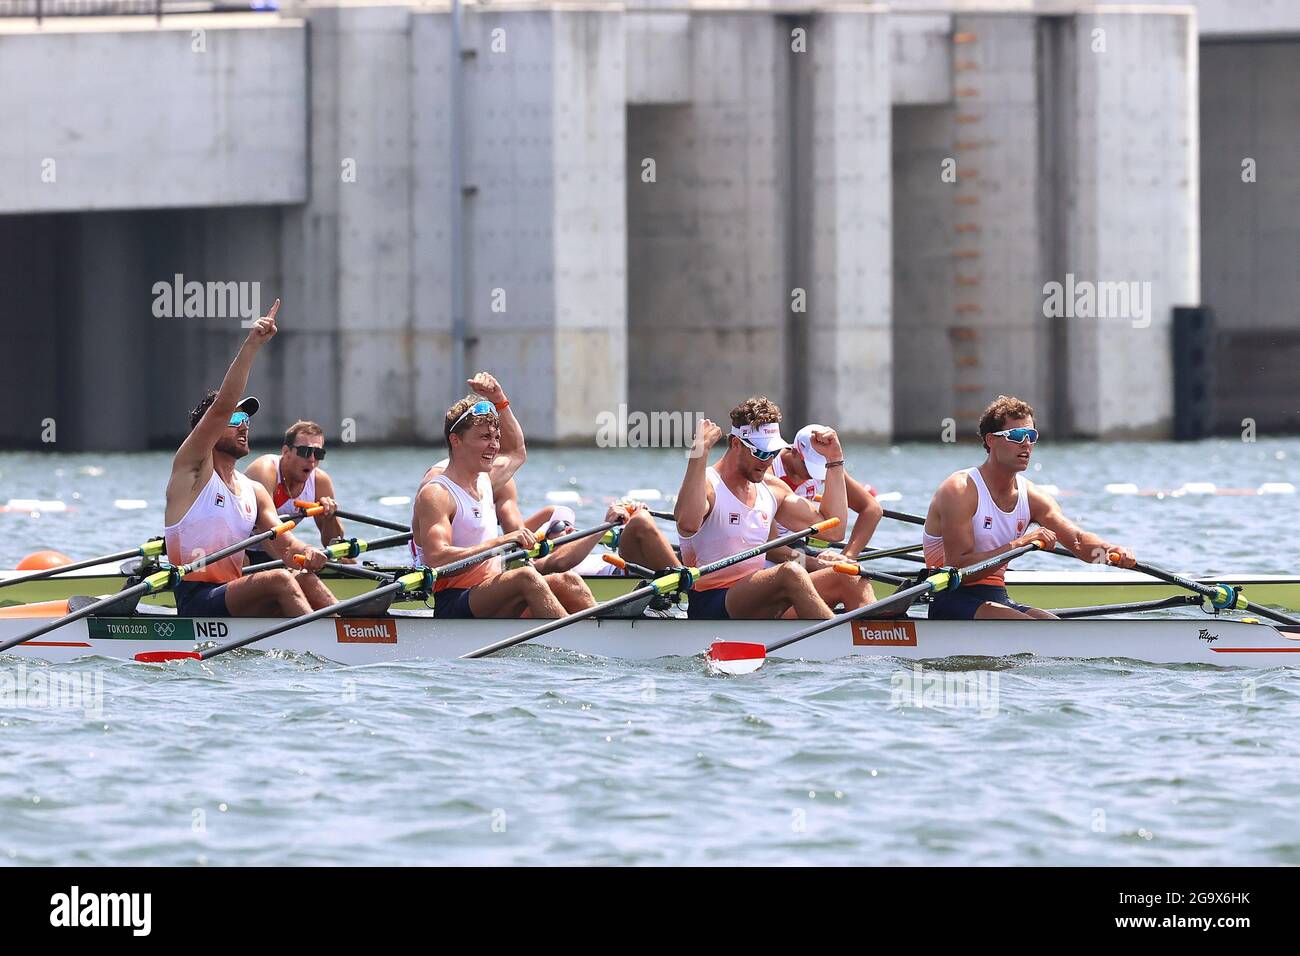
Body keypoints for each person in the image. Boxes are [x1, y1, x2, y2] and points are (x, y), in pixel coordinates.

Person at [162, 300, 334, 617]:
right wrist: (253, 344)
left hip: (231, 593)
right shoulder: (193, 470)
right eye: (235, 418)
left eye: (247, 419)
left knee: (303, 577)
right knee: (281, 580)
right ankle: (319, 649)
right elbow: (222, 406)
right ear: (209, 428)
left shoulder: (253, 490)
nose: (243, 425)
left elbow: (284, 544)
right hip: (197, 599)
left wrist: (307, 552)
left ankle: (352, 632)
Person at [921, 395, 1136, 620]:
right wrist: (1021, 543)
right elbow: (960, 570)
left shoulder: (1032, 496)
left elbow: (1078, 542)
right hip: (950, 597)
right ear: (991, 440)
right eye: (1016, 436)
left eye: (1031, 435)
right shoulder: (961, 489)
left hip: (996, 596)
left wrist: (1110, 552)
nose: (1026, 443)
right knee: (1031, 628)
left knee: (1054, 628)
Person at [411, 374, 596, 617]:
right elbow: (437, 559)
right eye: (485, 437)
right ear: (456, 441)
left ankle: (608, 643)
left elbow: (518, 451)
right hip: (455, 601)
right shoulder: (437, 493)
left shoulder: (486, 480)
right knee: (526, 577)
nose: (495, 446)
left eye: (496, 437)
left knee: (568, 581)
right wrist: (501, 541)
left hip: (492, 592)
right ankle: (576, 646)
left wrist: (499, 398)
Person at [673, 396, 871, 619]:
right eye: (760, 452)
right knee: (790, 573)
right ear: (736, 444)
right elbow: (688, 523)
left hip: (760, 596)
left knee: (848, 575)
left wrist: (834, 460)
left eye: (773, 452)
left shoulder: (772, 489)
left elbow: (833, 530)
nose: (767, 461)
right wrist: (699, 453)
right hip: (713, 602)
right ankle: (838, 644)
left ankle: (879, 643)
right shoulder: (708, 484)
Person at [765, 423, 884, 566]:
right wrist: (817, 564)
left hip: (796, 547)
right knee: (803, 569)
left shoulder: (829, 465)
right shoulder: (767, 471)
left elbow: (872, 509)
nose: (812, 475)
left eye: (818, 469)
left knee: (851, 575)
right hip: (766, 550)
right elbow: (768, 548)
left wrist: (846, 557)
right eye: (807, 466)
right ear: (794, 451)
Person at [245, 420, 344, 547]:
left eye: (318, 453)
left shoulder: (320, 481)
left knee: (348, 560)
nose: (312, 459)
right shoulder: (265, 470)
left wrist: (330, 518)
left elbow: (332, 544)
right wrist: (296, 558)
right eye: (305, 452)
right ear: (286, 452)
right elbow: (265, 528)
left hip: (277, 550)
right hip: (241, 551)